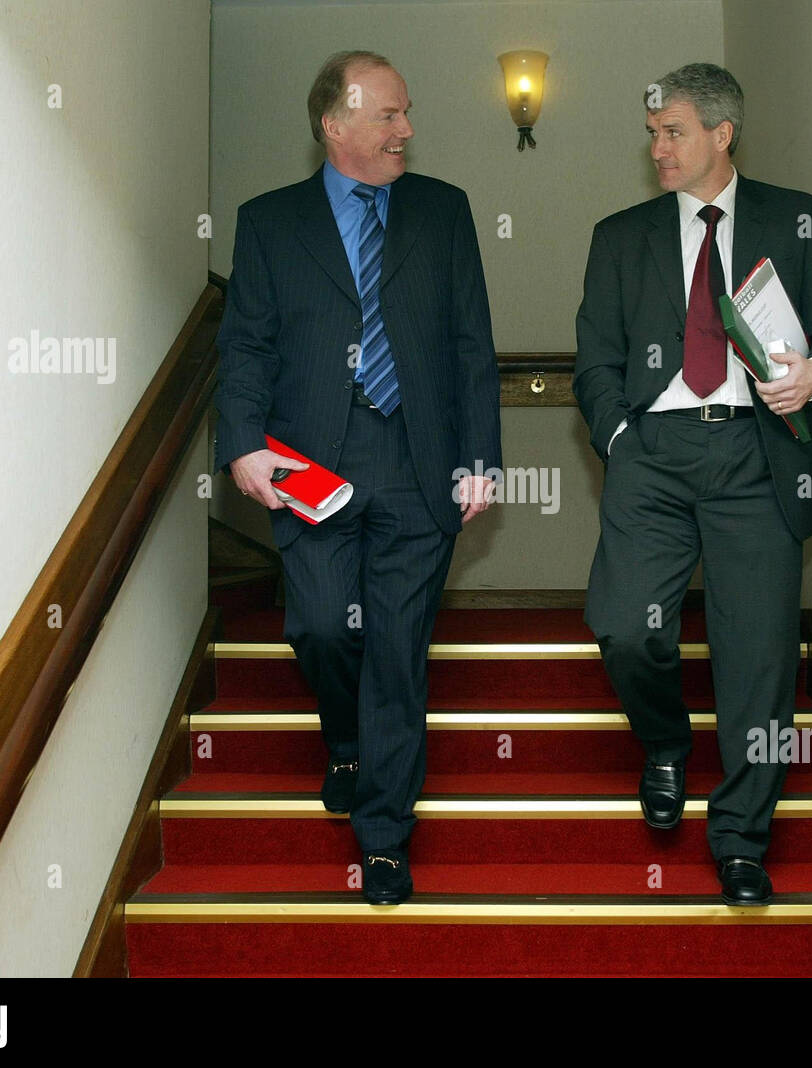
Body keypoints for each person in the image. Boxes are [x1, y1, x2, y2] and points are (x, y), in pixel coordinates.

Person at [214, 50, 500, 906]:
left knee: (398, 654)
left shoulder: (443, 212)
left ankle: (383, 836)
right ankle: (343, 736)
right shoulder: (268, 222)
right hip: (310, 469)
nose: (406, 130)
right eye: (389, 116)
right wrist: (241, 445)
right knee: (320, 630)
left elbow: (469, 345)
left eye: (406, 114)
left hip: (417, 467)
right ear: (336, 125)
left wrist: (480, 456)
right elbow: (246, 347)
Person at [574, 63, 812, 905]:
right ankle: (664, 743)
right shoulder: (618, 234)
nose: (656, 146)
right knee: (625, 629)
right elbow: (595, 358)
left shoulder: (795, 218)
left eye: (673, 132)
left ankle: (740, 836)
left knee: (759, 660)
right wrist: (622, 439)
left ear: (721, 135)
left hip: (755, 457)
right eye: (653, 132)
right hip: (652, 456)